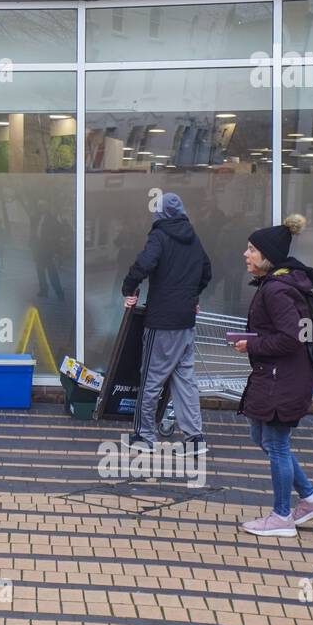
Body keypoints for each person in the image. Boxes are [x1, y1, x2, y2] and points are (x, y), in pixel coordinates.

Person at [235, 213, 313, 538]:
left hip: (283, 379)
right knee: (261, 437)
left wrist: (252, 345)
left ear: (268, 257)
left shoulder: (276, 290)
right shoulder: (276, 285)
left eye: (251, 249)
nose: (246, 255)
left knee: (276, 444)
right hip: (277, 376)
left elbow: (290, 338)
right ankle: (309, 498)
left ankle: (281, 517)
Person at [121, 192, 212, 455]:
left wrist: (129, 288)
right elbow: (206, 271)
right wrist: (192, 296)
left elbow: (144, 264)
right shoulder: (193, 239)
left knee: (151, 378)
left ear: (160, 213)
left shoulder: (159, 236)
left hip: (161, 322)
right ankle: (194, 438)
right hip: (185, 321)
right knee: (185, 380)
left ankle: (144, 437)